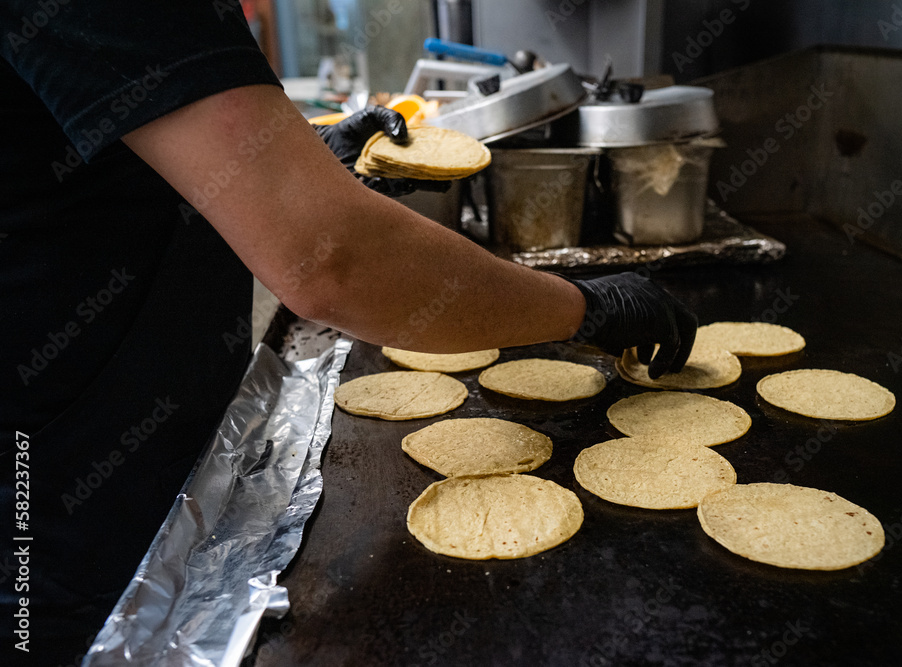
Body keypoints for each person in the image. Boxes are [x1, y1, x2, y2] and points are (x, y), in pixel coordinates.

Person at [0, 1, 696, 663]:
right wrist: (580, 308)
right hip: (61, 499)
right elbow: (333, 257)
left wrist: (298, 163)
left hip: (149, 440)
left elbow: (141, 150)